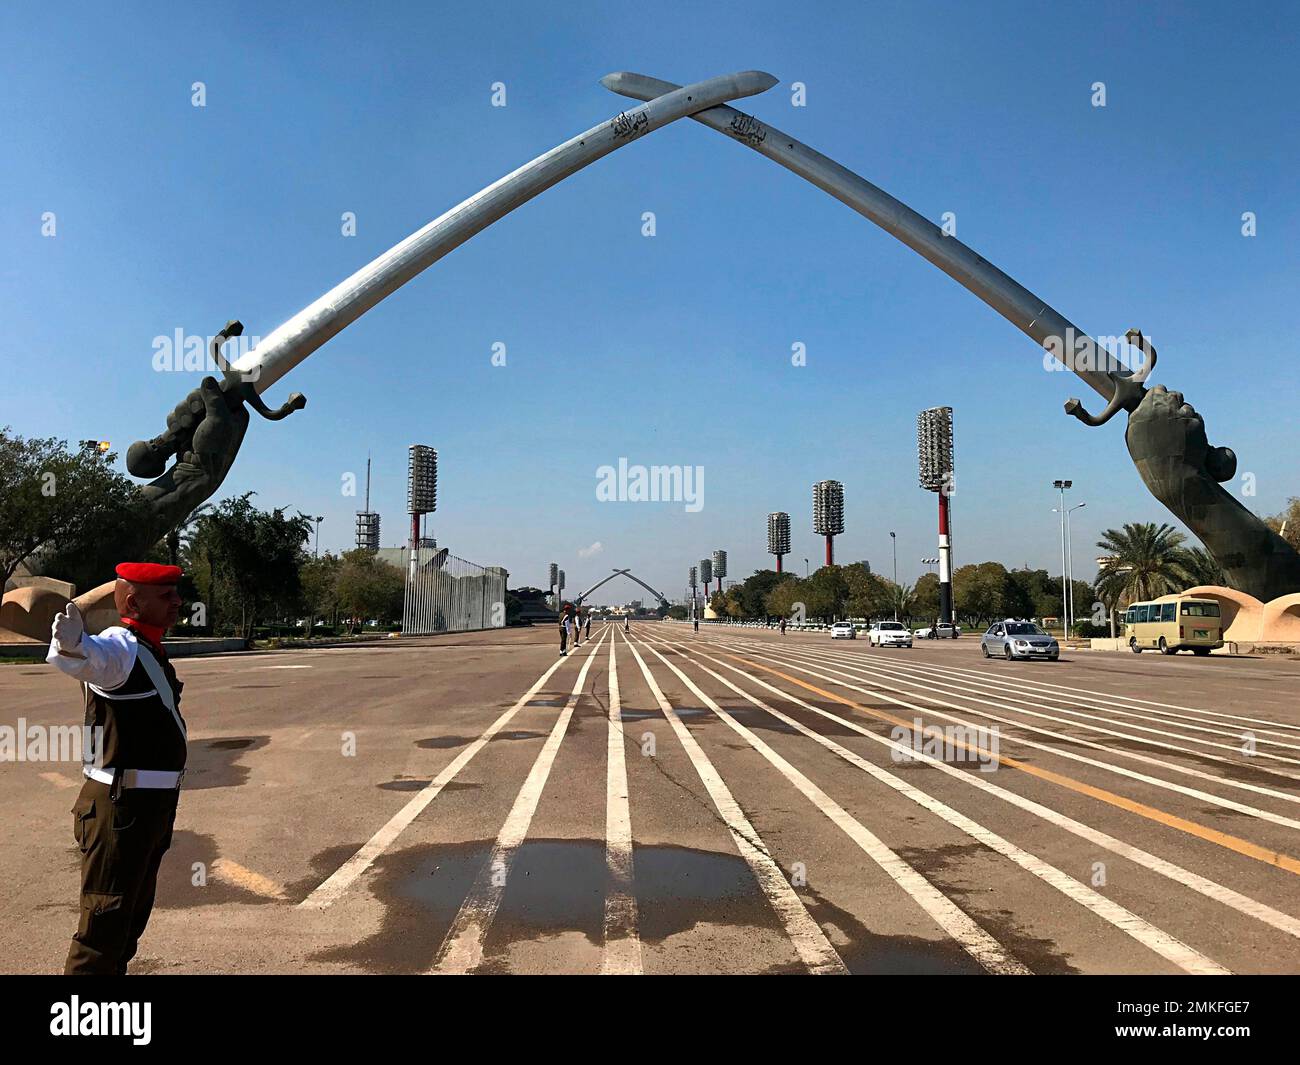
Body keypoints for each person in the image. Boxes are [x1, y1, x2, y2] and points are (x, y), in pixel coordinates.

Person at [47, 562, 187, 975]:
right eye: (165, 595)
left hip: (145, 806)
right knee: (103, 925)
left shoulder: (147, 649)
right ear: (132, 602)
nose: (177, 601)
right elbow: (91, 658)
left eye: (175, 593)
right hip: (120, 807)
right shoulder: (121, 646)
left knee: (126, 923)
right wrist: (72, 645)